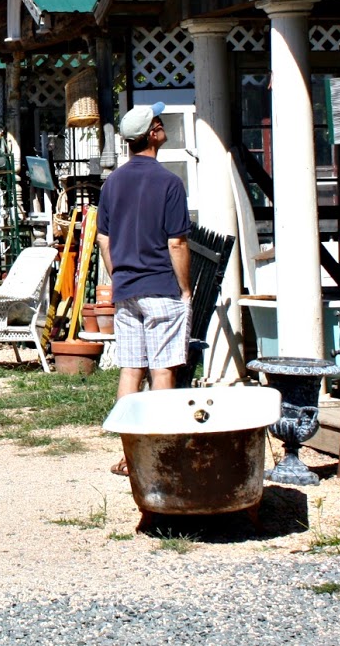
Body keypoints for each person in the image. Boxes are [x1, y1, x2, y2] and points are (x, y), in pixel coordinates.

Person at [98, 101, 192, 475]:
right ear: (152, 134)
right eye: (159, 121)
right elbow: (177, 243)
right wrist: (184, 288)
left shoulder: (113, 183)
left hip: (127, 291)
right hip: (161, 289)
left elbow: (105, 240)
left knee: (131, 371)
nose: (163, 124)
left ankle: (131, 455)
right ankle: (161, 456)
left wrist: (119, 275)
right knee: (163, 371)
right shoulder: (169, 182)